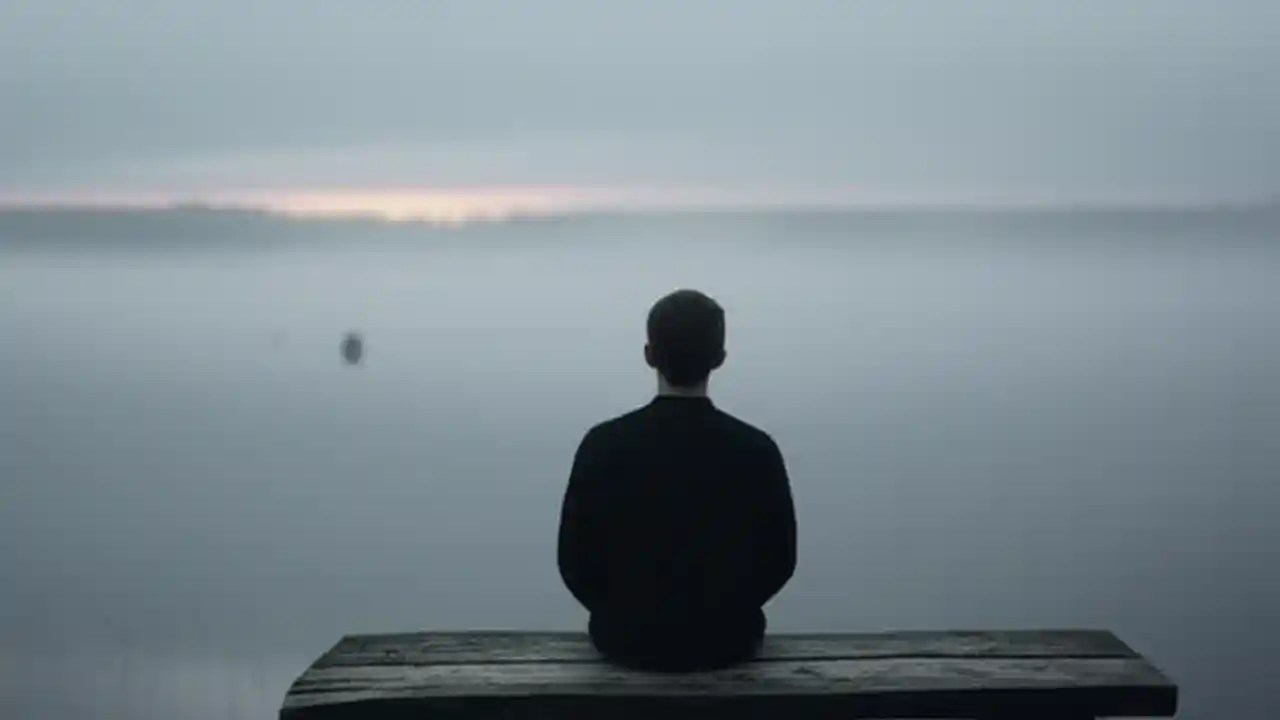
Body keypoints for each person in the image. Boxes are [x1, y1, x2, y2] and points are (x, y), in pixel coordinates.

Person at [557, 289, 797, 672]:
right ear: (719, 358)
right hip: (728, 640)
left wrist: (623, 613)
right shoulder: (756, 450)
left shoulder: (602, 445)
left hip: (625, 641)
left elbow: (574, 560)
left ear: (649, 354)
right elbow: (779, 560)